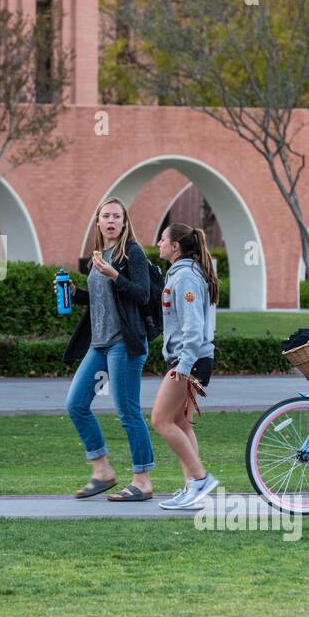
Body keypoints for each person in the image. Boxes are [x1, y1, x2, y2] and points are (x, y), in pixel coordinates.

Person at [64, 197, 155, 502]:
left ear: (124, 222)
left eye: (117, 216)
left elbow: (142, 295)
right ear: (99, 223)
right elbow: (100, 298)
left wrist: (115, 275)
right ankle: (102, 471)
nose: (111, 221)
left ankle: (142, 480)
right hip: (99, 344)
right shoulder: (99, 255)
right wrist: (75, 294)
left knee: (128, 411)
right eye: (106, 216)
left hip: (125, 344)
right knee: (75, 403)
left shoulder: (132, 253)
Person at [150, 223, 220, 510]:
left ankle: (201, 479)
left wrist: (184, 364)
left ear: (176, 246)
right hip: (188, 360)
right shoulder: (181, 274)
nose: (159, 243)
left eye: (163, 239)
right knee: (181, 424)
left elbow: (194, 328)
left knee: (161, 421)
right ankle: (193, 489)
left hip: (189, 361)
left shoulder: (186, 278)